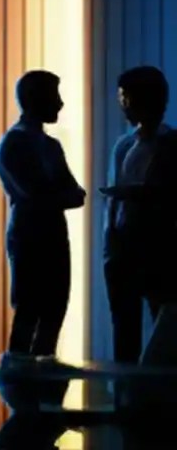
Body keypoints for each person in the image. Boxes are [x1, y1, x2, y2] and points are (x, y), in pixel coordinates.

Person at [0, 70, 86, 358]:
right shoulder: (17, 143)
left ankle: (38, 389)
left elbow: (72, 194)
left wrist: (54, 196)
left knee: (51, 315)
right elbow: (42, 193)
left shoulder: (48, 145)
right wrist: (57, 196)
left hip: (50, 237)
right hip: (32, 239)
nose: (60, 104)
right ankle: (23, 390)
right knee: (30, 314)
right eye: (54, 96)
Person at [102, 65, 177, 364]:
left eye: (128, 99)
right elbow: (113, 205)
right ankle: (125, 401)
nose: (124, 106)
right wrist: (109, 247)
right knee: (124, 331)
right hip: (121, 250)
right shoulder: (123, 145)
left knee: (163, 328)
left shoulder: (172, 145)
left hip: (158, 248)